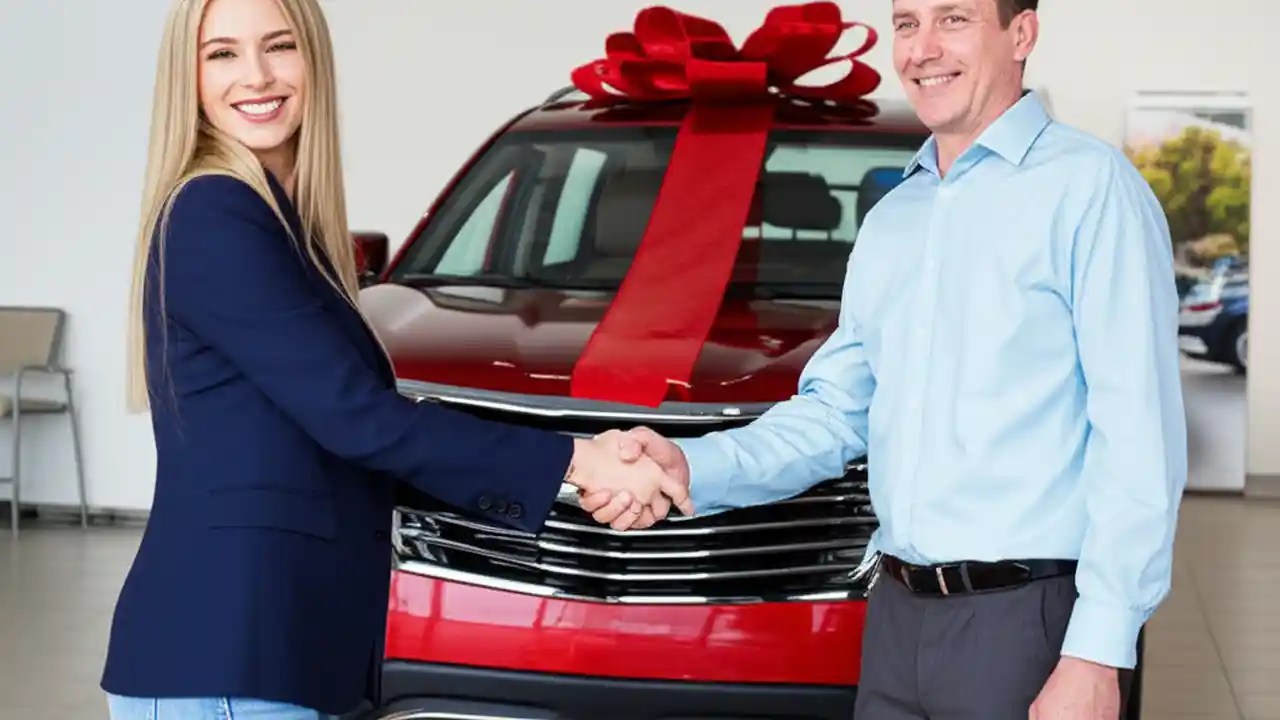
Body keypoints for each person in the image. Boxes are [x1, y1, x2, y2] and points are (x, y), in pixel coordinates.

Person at [585, 0, 1188, 717]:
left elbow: (1139, 439)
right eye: (907, 24)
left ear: (1021, 33)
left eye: (954, 19)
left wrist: (1097, 652)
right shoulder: (894, 219)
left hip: (1026, 622)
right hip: (897, 615)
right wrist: (693, 465)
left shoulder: (1092, 190)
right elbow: (837, 412)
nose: (922, 48)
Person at [100, 0, 691, 718]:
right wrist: (575, 460)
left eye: (278, 46)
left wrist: (574, 470)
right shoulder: (216, 212)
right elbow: (358, 420)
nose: (255, 75)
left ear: (313, 57)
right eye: (221, 53)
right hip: (227, 650)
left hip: (275, 649)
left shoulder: (282, 224)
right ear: (186, 77)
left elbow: (347, 445)